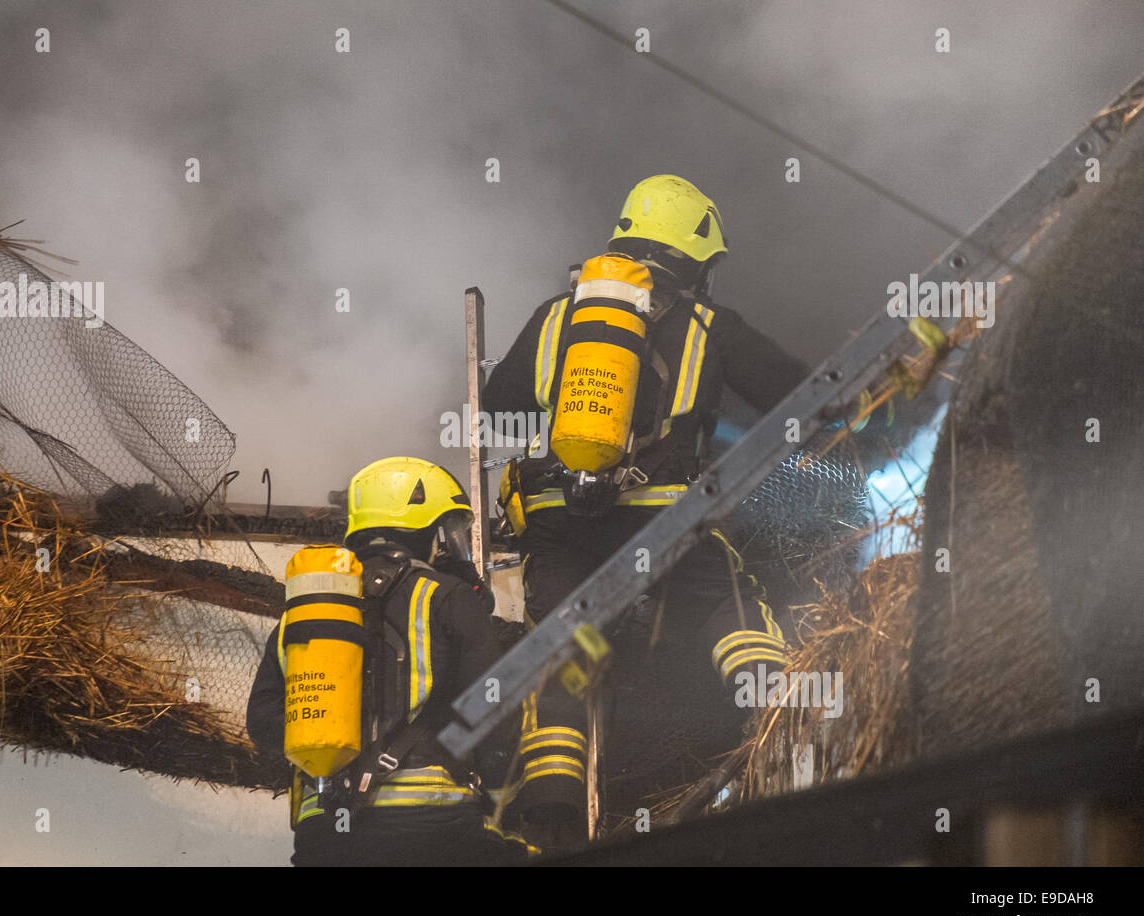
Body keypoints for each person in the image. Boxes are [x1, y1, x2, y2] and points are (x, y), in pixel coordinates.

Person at [484, 175, 810, 846]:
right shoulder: (709, 325)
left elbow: (498, 413)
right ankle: (780, 725)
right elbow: (796, 392)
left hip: (558, 520)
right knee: (725, 604)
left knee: (559, 650)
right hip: (663, 518)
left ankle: (551, 814)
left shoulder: (556, 314)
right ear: (694, 254)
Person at [247, 456, 534, 865]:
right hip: (434, 826)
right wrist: (500, 810)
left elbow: (262, 722)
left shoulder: (309, 608)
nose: (445, 544)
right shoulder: (449, 597)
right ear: (420, 527)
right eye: (444, 532)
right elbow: (495, 716)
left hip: (327, 835)